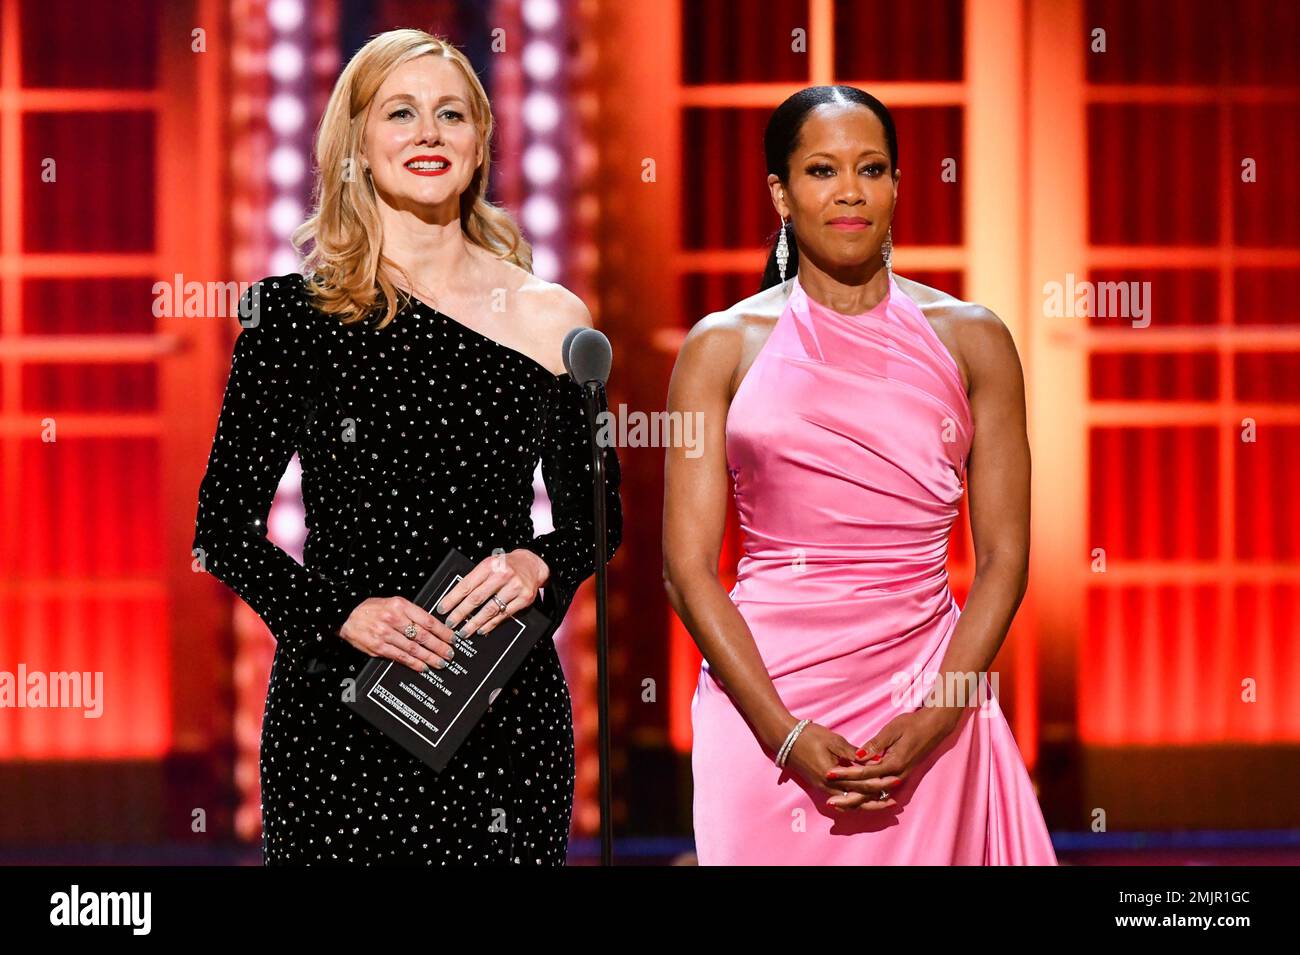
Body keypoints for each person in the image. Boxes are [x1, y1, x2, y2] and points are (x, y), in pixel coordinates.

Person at [191, 29, 622, 865]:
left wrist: (540, 565)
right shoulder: (290, 318)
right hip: (338, 708)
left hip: (500, 708)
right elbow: (222, 527)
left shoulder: (553, 317)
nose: (429, 133)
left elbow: (598, 520)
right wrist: (338, 615)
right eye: (401, 112)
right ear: (355, 144)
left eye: (450, 114)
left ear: (480, 142)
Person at [663, 85, 1056, 864]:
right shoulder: (721, 345)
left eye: (872, 168)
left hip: (928, 697)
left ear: (899, 184)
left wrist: (936, 716)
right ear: (780, 192)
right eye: (820, 170)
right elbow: (686, 570)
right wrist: (785, 734)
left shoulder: (974, 340)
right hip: (764, 702)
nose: (849, 191)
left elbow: (1006, 560)